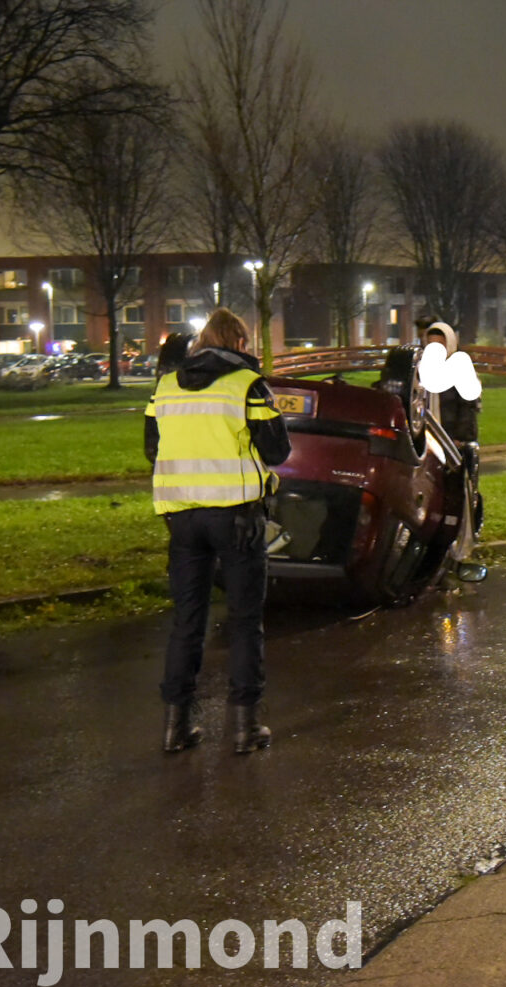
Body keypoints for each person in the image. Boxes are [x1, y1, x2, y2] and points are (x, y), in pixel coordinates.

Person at [144, 308, 290, 754]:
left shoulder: (166, 386)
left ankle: (175, 728)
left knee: (187, 622)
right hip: (237, 519)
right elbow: (278, 450)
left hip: (183, 519)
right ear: (240, 343)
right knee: (245, 621)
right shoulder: (247, 385)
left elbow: (152, 448)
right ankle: (245, 730)